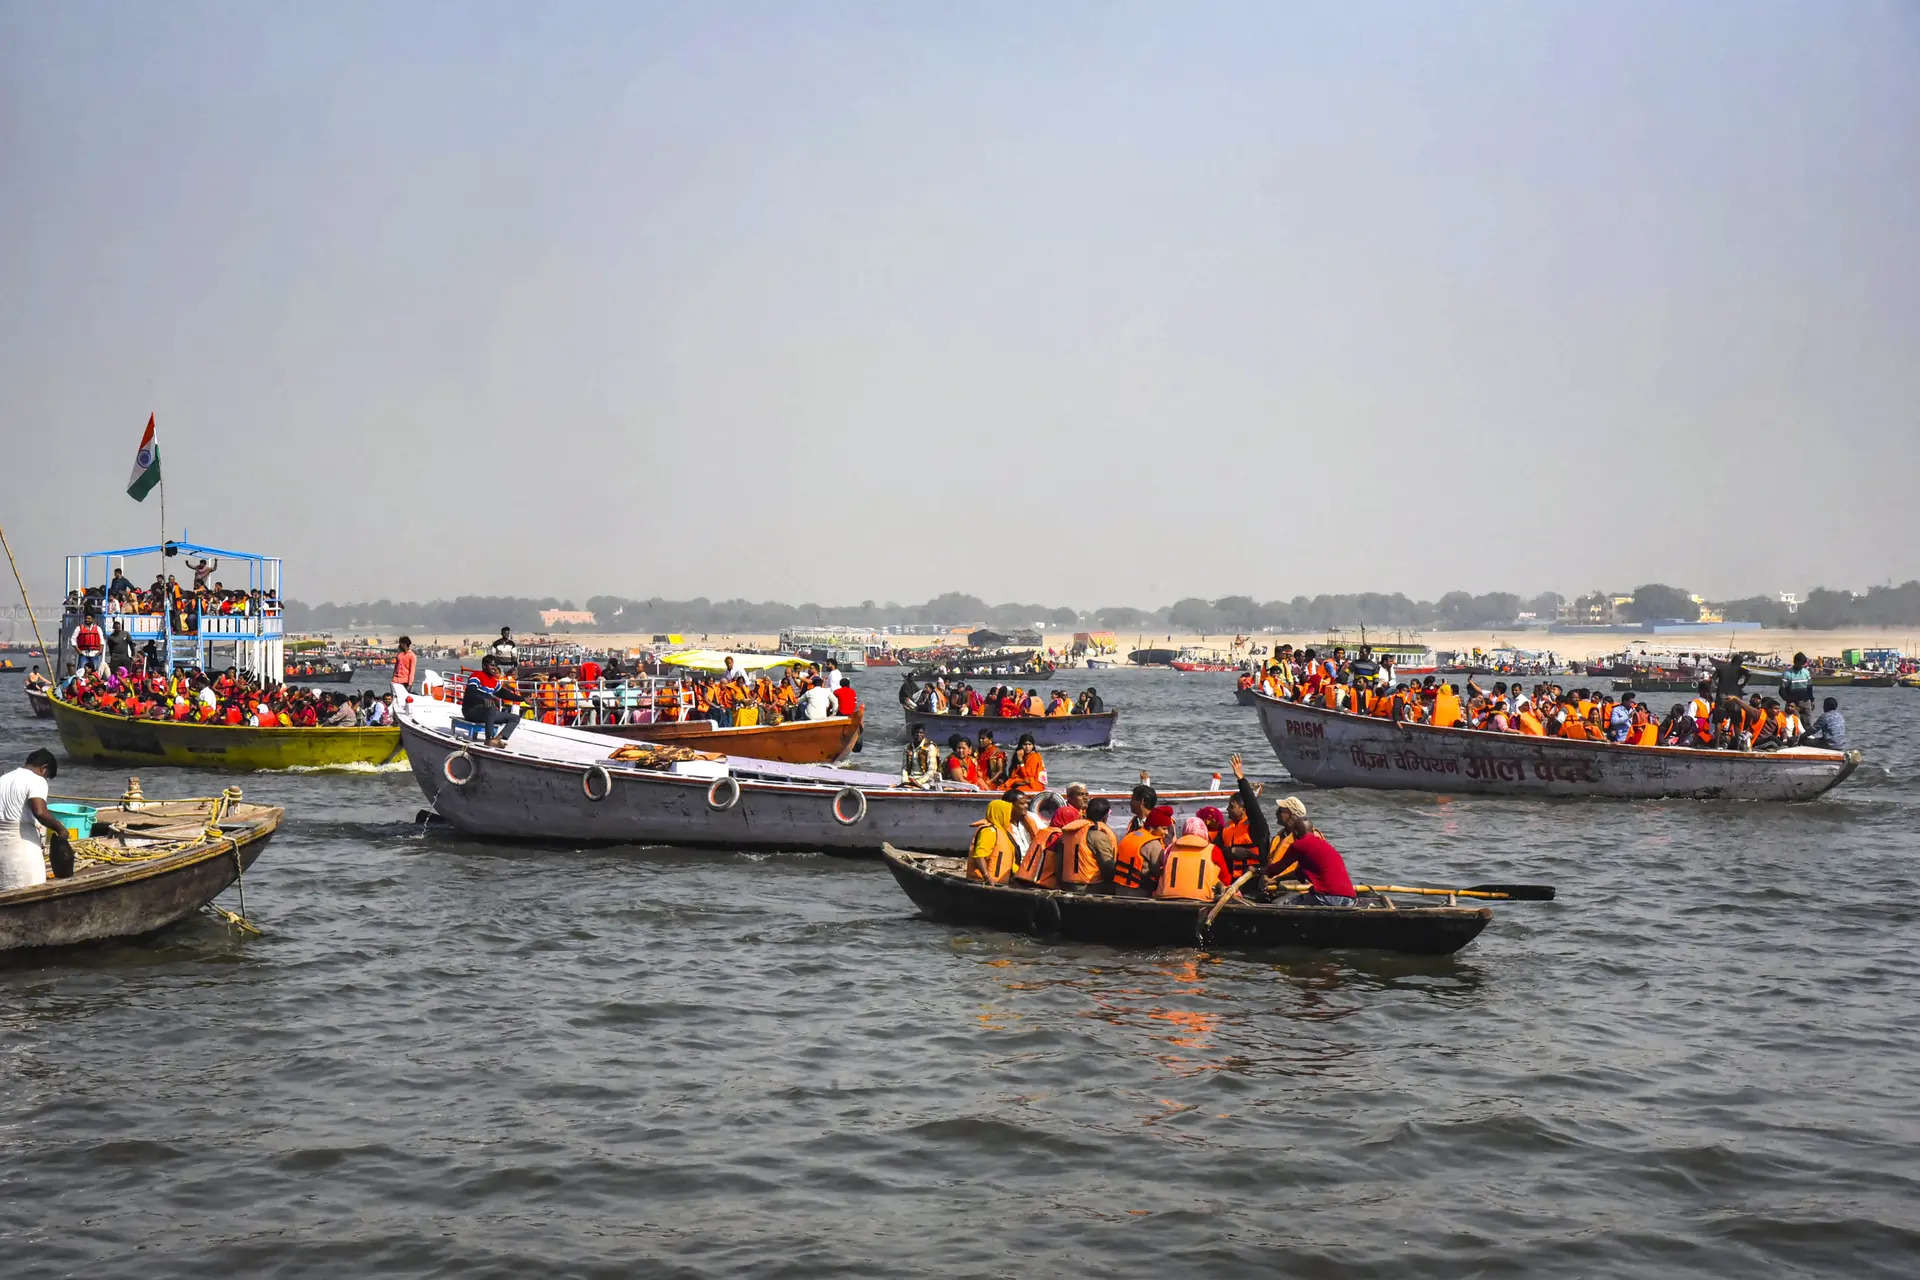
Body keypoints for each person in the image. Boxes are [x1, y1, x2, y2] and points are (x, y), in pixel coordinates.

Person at [1228, 754, 1355, 906]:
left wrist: (1265, 874)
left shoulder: (1305, 840)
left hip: (1302, 890)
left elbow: (1281, 869)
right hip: (1277, 886)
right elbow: (1297, 871)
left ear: (1293, 816)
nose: (1276, 812)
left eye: (1281, 810)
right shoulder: (1280, 837)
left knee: (1280, 905)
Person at [1, 749, 74, 891]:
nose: (45, 779)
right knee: (32, 888)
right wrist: (60, 829)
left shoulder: (3, 779)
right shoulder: (36, 779)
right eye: (47, 776)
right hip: (20, 845)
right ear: (44, 768)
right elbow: (40, 812)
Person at [966, 793, 1037, 884]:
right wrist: (987, 877)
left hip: (1002, 880)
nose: (1009, 816)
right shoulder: (989, 831)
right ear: (1000, 813)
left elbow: (1010, 862)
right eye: (1007, 813)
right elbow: (979, 856)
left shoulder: (1003, 832)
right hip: (985, 881)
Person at [1153, 816, 1224, 901]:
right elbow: (1225, 878)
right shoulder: (1213, 850)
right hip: (1203, 898)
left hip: (1168, 896)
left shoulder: (1170, 848)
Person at [462, 655, 525, 747]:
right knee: (491, 708)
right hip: (471, 711)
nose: (495, 668)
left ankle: (497, 739)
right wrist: (483, 698)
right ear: (484, 666)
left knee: (515, 718)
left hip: (487, 712)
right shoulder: (476, 676)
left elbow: (504, 694)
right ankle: (489, 739)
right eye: (492, 665)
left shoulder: (494, 681)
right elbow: (471, 691)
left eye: (496, 666)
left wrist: (522, 699)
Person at [1110, 805, 1171, 898]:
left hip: (1119, 888)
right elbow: (1157, 872)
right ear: (1152, 827)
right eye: (1164, 828)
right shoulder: (1154, 844)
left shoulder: (1130, 835)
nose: (1166, 833)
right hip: (1138, 892)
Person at [1061, 797, 1118, 890]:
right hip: (1089, 885)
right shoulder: (1098, 836)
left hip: (1066, 883)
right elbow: (1107, 866)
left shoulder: (1068, 832)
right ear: (1105, 816)